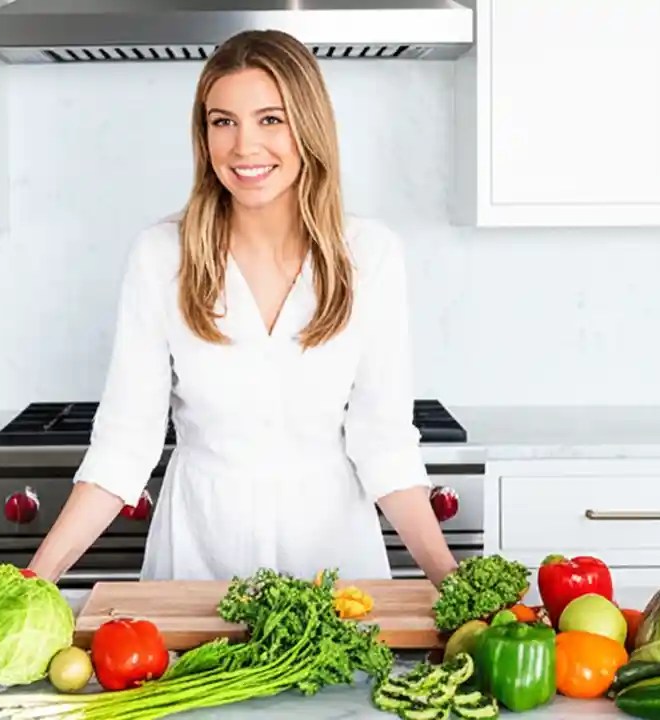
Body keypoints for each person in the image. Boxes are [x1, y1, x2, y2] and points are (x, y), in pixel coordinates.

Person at [27, 29, 459, 587]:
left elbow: (385, 444)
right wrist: (36, 579)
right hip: (198, 567)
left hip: (335, 577)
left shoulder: (369, 256)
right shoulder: (162, 256)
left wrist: (451, 581)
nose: (244, 146)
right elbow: (123, 446)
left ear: (309, 125)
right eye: (222, 121)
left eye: (270, 119)